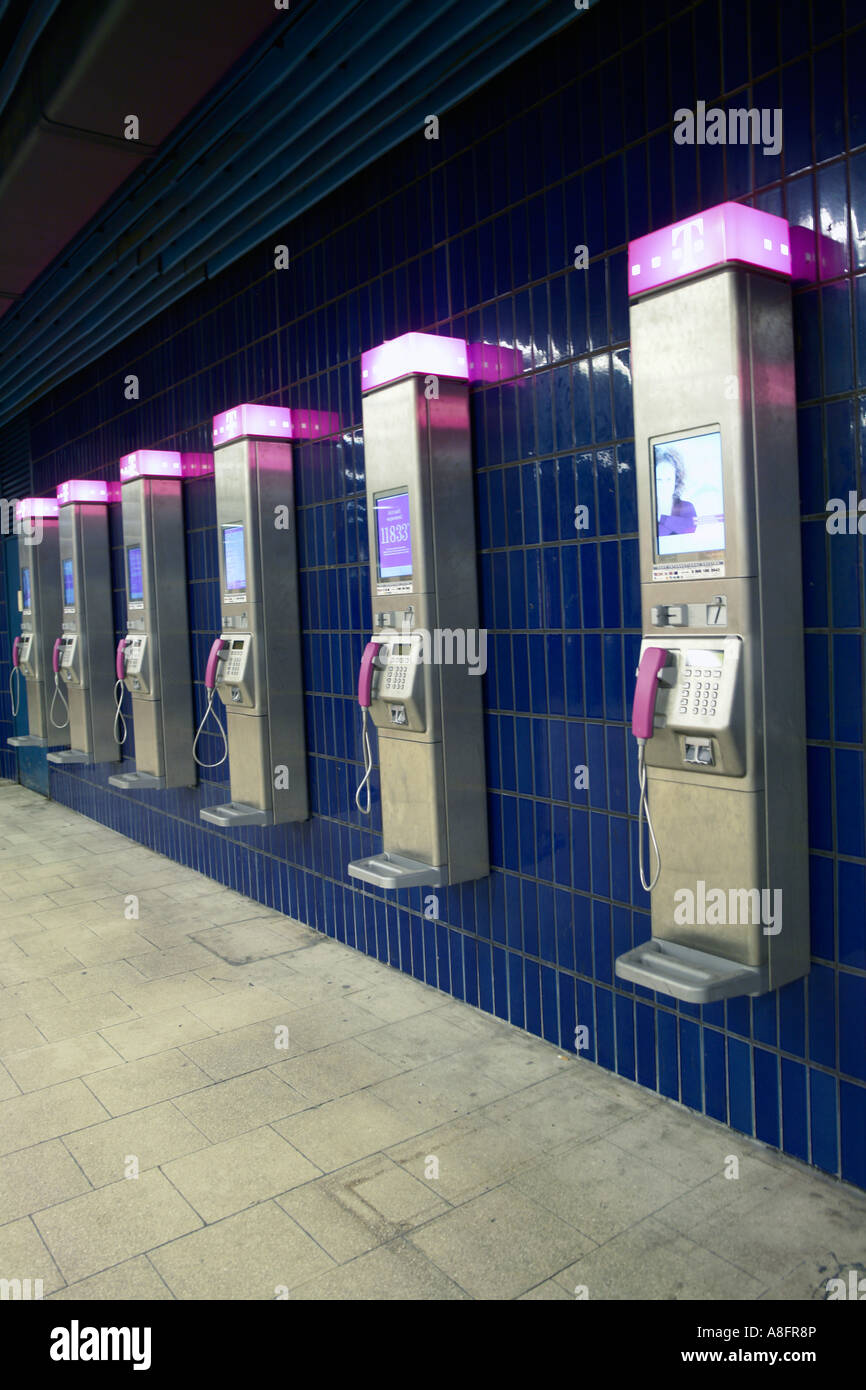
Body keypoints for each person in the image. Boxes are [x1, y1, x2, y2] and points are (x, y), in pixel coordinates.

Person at [655, 446, 697, 536]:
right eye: (659, 480)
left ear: (676, 480)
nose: (664, 485)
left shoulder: (687, 507)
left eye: (669, 479)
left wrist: (661, 519)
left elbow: (689, 530)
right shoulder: (644, 510)